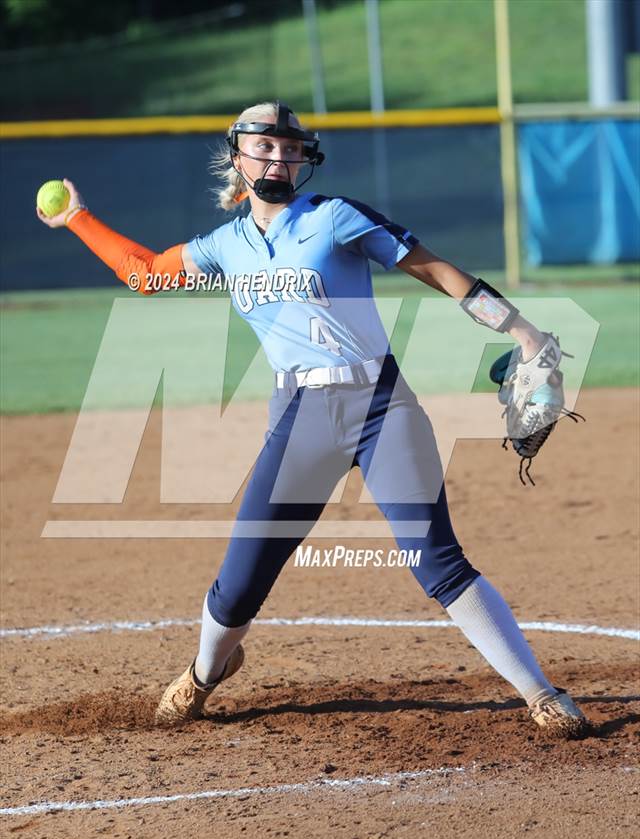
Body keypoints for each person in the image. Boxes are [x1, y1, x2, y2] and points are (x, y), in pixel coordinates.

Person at [37, 101, 587, 738]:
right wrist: (77, 218)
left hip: (382, 407)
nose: (277, 157)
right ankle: (205, 672)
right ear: (237, 157)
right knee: (243, 580)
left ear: (305, 159)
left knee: (435, 558)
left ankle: (540, 693)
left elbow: (436, 270)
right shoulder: (224, 246)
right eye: (264, 146)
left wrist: (524, 334)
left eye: (289, 148)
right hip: (300, 415)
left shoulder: (335, 218)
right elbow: (144, 274)